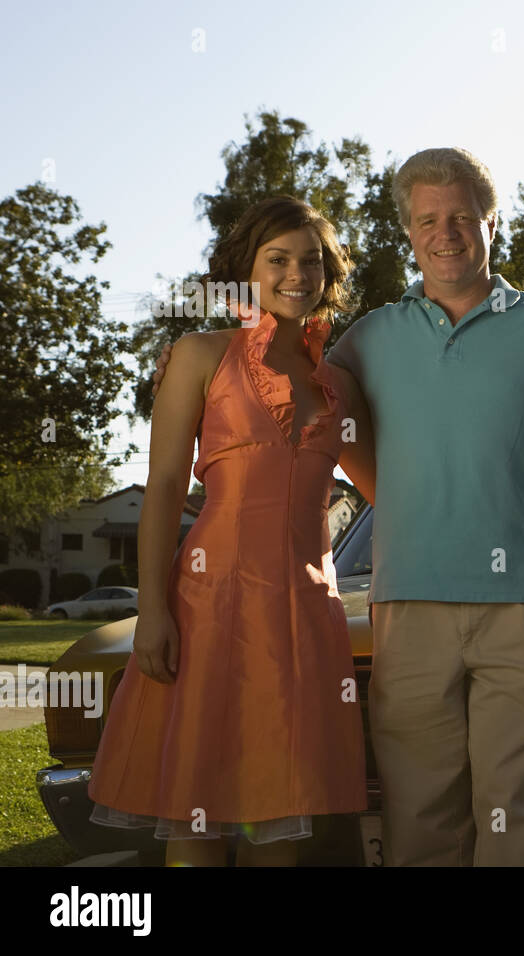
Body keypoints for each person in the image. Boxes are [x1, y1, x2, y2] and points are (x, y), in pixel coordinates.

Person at [151, 149, 524, 867]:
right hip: (405, 602)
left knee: (519, 816)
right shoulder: (365, 341)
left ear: (491, 222)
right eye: (427, 220)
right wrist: (192, 362)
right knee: (418, 815)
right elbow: (283, 399)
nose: (446, 234)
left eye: (463, 218)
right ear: (407, 231)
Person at [89, 196, 376, 866]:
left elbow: (382, 489)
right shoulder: (198, 354)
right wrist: (152, 609)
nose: (296, 273)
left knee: (276, 808)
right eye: (277, 259)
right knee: (198, 808)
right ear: (243, 272)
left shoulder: (339, 386)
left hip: (306, 616)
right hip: (208, 607)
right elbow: (163, 488)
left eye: (311, 260)